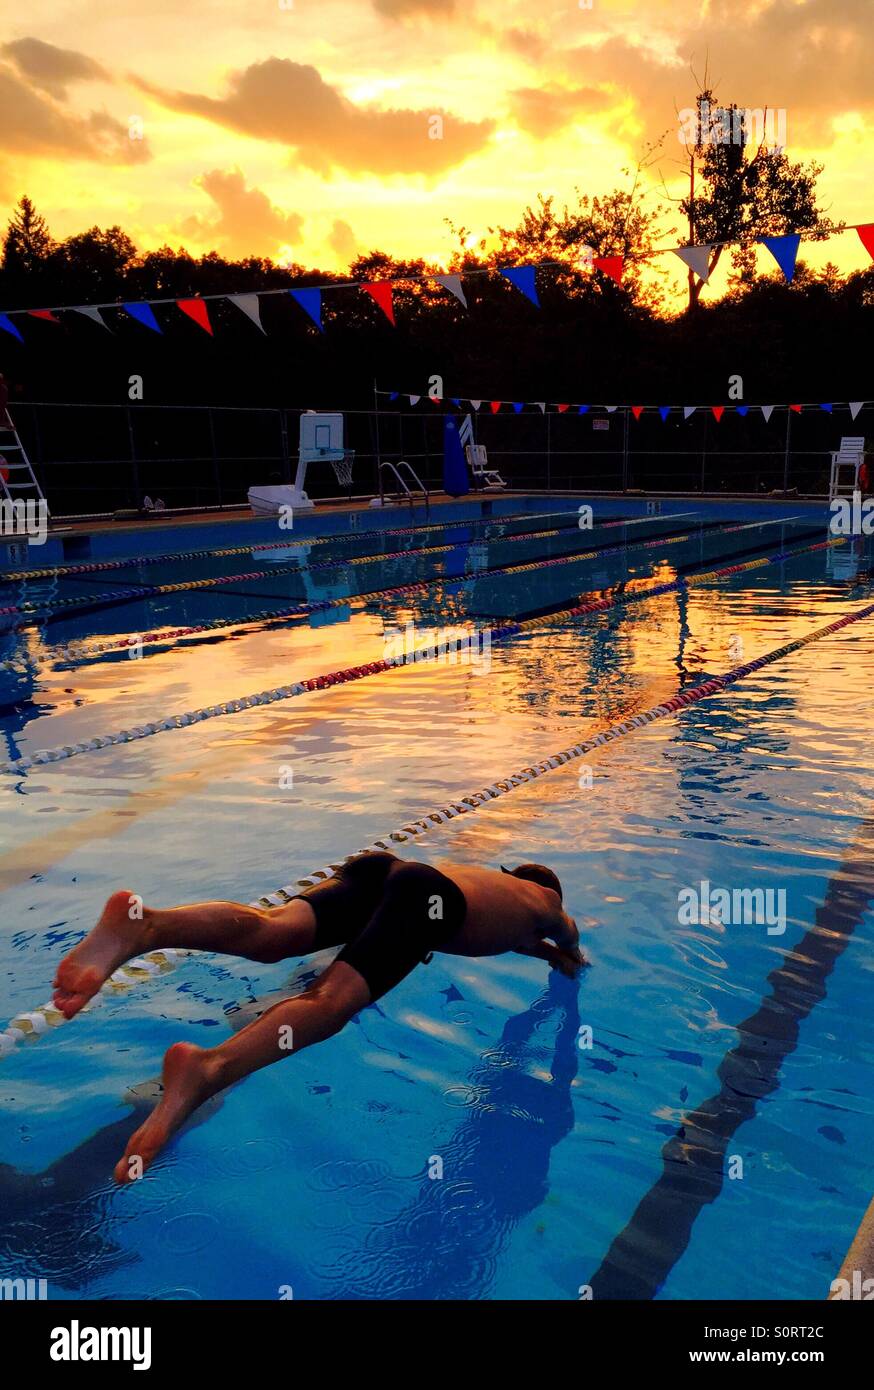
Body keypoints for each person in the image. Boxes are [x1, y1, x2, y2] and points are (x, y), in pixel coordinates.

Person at [52, 853, 585, 1184]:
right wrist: (572, 955)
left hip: (385, 872)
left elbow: (514, 938)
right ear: (546, 890)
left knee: (272, 933)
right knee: (332, 1002)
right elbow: (567, 934)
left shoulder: (501, 899)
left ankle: (148, 926)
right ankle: (209, 1069)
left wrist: (543, 953)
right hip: (426, 901)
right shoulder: (543, 900)